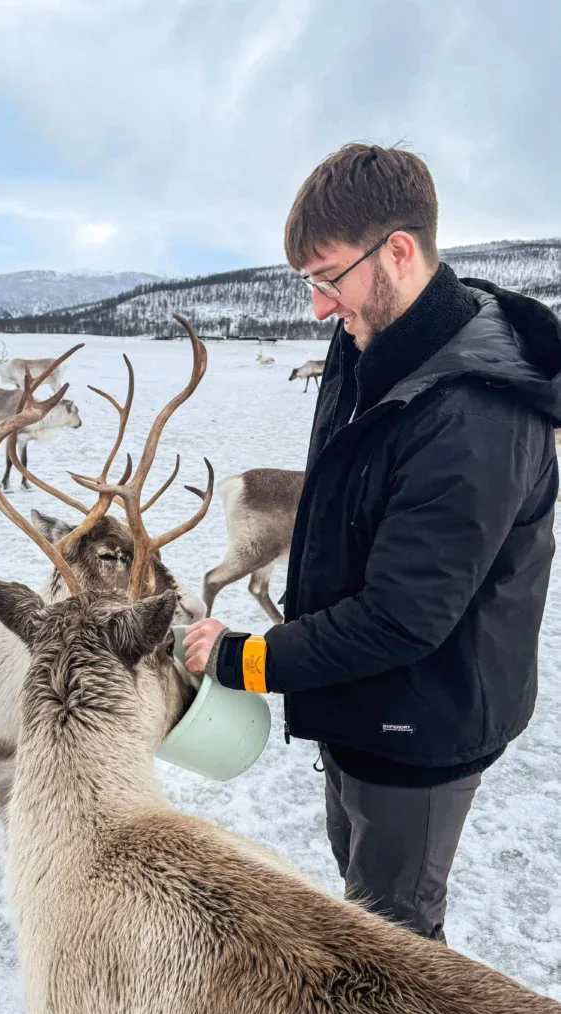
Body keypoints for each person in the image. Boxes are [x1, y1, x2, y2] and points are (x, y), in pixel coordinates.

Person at [184, 142, 561, 943]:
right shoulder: (370, 346)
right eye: (307, 282)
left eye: (327, 279)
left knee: (393, 943)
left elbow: (401, 618)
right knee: (363, 898)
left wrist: (246, 658)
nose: (318, 308)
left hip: (421, 727)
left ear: (396, 252)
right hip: (357, 702)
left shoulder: (475, 417)